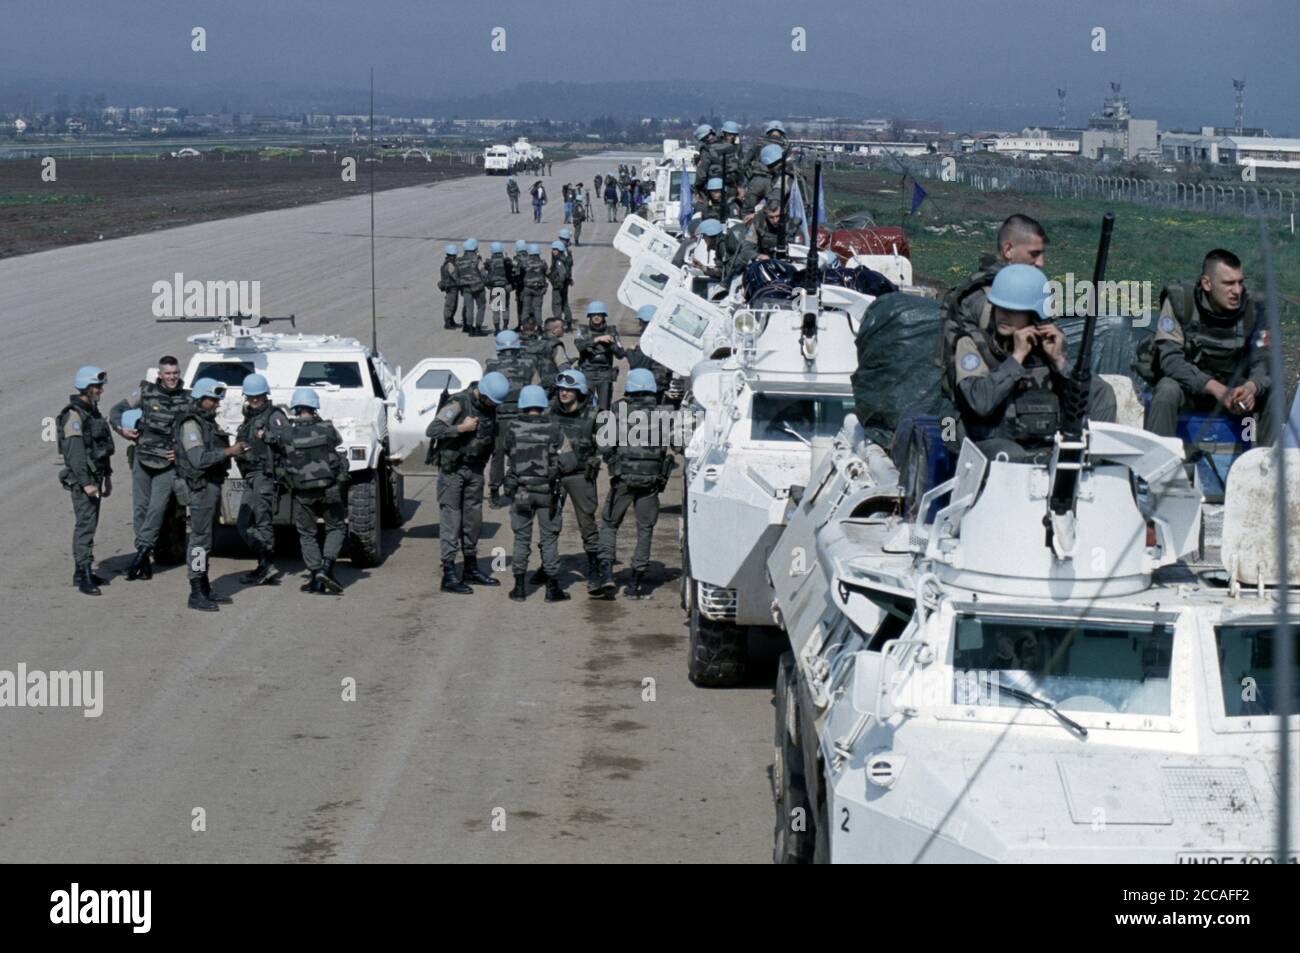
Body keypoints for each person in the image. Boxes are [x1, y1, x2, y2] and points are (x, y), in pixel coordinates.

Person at [950, 264, 1116, 461]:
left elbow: (1096, 397)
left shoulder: (1047, 344)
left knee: (1104, 392)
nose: (1004, 315)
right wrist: (1016, 358)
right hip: (985, 447)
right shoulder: (971, 343)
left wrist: (1060, 362)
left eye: (1014, 310)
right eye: (1000, 307)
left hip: (1041, 443)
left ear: (1034, 314)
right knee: (1011, 455)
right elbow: (980, 402)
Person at [1140, 248, 1274, 443]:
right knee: (1166, 389)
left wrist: (1251, 388)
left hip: (1235, 391)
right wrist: (1214, 388)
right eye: (1228, 283)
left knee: (1274, 392)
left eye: (1240, 282)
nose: (1237, 291)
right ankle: (1157, 465)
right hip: (1190, 390)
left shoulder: (1255, 308)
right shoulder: (1180, 302)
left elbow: (1266, 359)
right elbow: (1171, 360)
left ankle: (1266, 466)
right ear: (1207, 283)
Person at [591, 368, 674, 599]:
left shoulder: (618, 410)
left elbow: (604, 446)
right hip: (651, 482)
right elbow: (680, 445)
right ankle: (635, 583)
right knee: (645, 529)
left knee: (609, 524)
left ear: (629, 388)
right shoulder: (664, 413)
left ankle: (606, 574)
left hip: (623, 479)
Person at [426, 372, 509, 593]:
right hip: (453, 471)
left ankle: (470, 568)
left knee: (473, 520)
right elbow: (433, 429)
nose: (493, 405)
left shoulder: (489, 407)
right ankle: (449, 573)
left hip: (475, 470)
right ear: (481, 393)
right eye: (491, 400)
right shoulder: (458, 403)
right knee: (451, 520)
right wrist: (461, 429)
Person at [110, 354, 190, 581]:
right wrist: (121, 429)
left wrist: (182, 452)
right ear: (160, 375)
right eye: (168, 374)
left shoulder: (188, 400)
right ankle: (144, 560)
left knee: (157, 510)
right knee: (141, 510)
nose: (172, 378)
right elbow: (116, 411)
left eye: (175, 373)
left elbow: (199, 433)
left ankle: (142, 553)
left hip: (168, 464)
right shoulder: (145, 392)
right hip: (143, 460)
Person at [174, 378, 247, 611]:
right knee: (199, 542)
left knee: (207, 540)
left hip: (211, 486)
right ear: (201, 398)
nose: (217, 403)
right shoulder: (191, 425)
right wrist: (229, 451)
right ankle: (196, 591)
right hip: (200, 488)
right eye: (213, 399)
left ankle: (204, 586)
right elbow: (198, 459)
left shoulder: (206, 422)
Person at [269, 388, 349, 595]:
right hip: (329, 489)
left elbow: (274, 442)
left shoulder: (286, 433)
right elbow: (337, 442)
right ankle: (327, 567)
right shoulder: (327, 428)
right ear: (315, 407)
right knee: (336, 527)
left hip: (303, 492)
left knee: (307, 533)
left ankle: (315, 578)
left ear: (295, 408)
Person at [504, 384, 568, 602]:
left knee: (521, 539)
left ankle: (519, 589)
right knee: (549, 539)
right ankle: (552, 590)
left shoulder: (512, 426)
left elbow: (505, 451)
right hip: (547, 492)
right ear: (542, 404)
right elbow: (566, 458)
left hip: (521, 491)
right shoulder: (554, 426)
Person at [58, 366, 115, 595]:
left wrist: (108, 477)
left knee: (89, 524)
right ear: (85, 387)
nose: (100, 390)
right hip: (85, 481)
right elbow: (75, 454)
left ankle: (82, 571)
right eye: (97, 386)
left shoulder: (92, 412)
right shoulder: (74, 415)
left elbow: (102, 447)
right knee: (86, 526)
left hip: (96, 476)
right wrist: (86, 483)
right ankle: (84, 573)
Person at [234, 373, 288, 587]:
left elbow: (286, 439)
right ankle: (264, 562)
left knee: (262, 521)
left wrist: (265, 437)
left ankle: (266, 564)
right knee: (243, 523)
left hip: (264, 475)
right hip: (250, 475)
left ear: (266, 395)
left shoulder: (274, 415)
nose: (254, 400)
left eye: (258, 396)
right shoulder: (250, 417)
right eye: (251, 397)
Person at [551, 369, 602, 581]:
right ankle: (549, 565)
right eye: (561, 389)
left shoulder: (594, 415)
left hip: (581, 476)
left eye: (569, 390)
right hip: (554, 475)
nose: (563, 393)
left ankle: (595, 567)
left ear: (579, 391)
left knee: (587, 523)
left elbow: (609, 444)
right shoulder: (550, 413)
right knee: (550, 521)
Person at [485, 330, 541, 509]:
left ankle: (494, 492)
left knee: (498, 455)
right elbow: (536, 389)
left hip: (499, 416)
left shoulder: (492, 365)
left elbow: (486, 390)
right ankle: (520, 489)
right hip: (521, 416)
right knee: (523, 452)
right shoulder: (529, 363)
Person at [575, 300, 626, 412]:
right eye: (594, 315)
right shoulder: (583, 330)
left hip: (604, 374)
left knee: (604, 407)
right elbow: (579, 345)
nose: (597, 317)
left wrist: (612, 343)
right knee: (584, 406)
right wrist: (597, 339)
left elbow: (621, 354)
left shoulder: (611, 331)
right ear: (589, 316)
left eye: (600, 314)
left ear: (604, 316)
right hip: (587, 373)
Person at [625, 305, 673, 401]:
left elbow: (636, 364)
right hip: (661, 383)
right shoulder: (664, 339)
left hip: (648, 384)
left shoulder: (649, 341)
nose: (639, 325)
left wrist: (630, 351)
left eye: (641, 322)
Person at [456, 238, 488, 336]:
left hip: (465, 287)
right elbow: (484, 273)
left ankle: (470, 329)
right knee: (481, 306)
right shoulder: (477, 259)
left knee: (469, 307)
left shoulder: (458, 260)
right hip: (478, 287)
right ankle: (478, 328)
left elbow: (457, 275)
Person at [485, 241, 513, 335]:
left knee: (496, 309)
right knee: (505, 308)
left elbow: (486, 273)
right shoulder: (506, 261)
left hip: (494, 287)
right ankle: (505, 327)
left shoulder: (489, 262)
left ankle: (497, 329)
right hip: (504, 286)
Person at [521, 242, 549, 328]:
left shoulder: (525, 262)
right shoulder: (542, 263)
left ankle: (525, 326)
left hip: (527, 288)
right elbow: (547, 273)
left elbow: (520, 273)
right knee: (537, 308)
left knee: (526, 308)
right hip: (538, 289)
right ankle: (539, 327)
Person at [438, 244, 461, 330]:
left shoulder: (449, 263)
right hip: (451, 287)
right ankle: (447, 322)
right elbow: (454, 275)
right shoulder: (450, 264)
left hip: (452, 286)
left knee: (454, 304)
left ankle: (451, 320)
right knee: (450, 304)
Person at [511, 240, 529, 327]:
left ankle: (520, 324)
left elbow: (513, 271)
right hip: (529, 285)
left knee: (520, 305)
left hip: (520, 285)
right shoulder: (530, 257)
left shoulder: (516, 258)